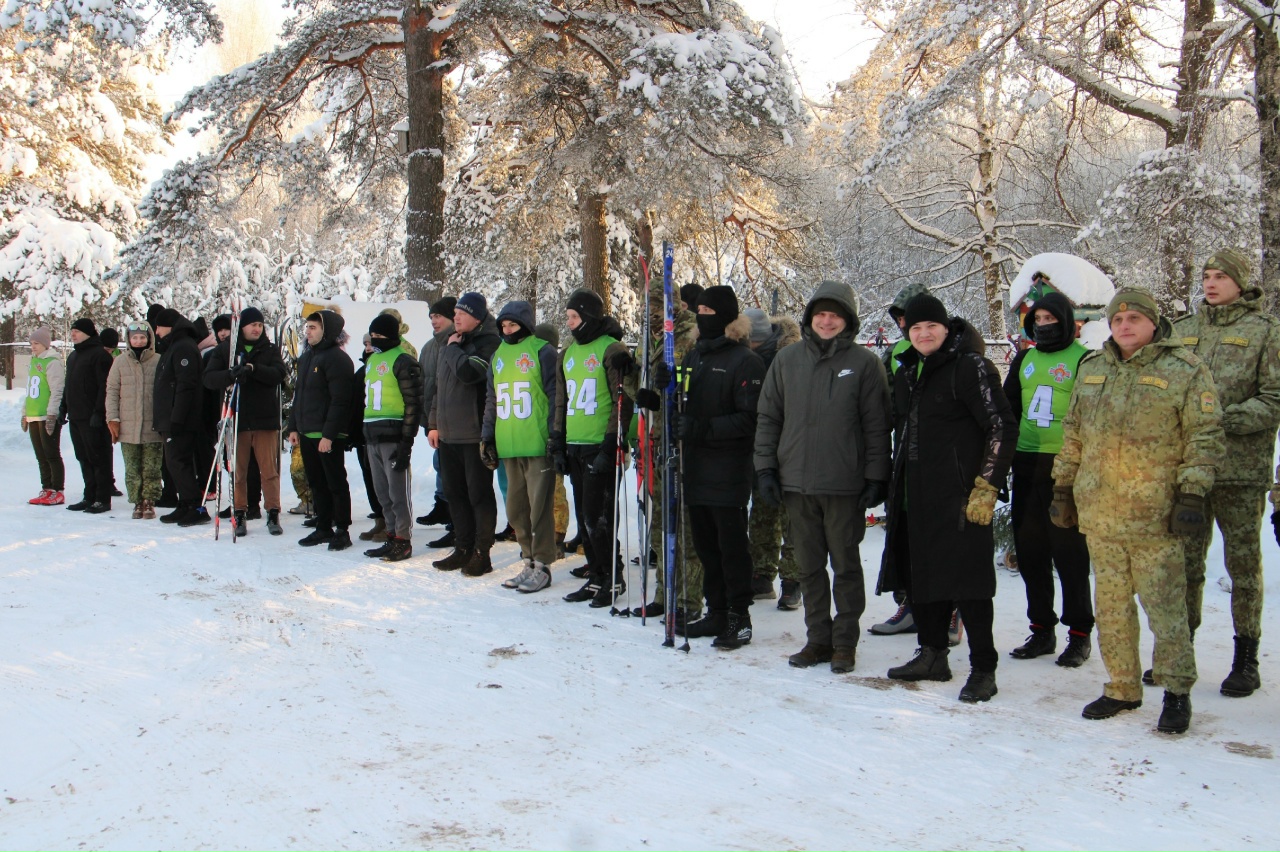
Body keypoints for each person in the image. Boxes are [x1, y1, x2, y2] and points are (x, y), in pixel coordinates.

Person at [1053, 288, 1224, 734]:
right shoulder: (1092, 369)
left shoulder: (1185, 370)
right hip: (1101, 515)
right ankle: (1122, 687)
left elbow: (1204, 438)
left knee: (1165, 608)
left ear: (1153, 322)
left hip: (1156, 515)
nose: (1124, 326)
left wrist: (1191, 494)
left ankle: (1176, 691)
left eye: (1134, 319)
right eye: (1117, 319)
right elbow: (1073, 435)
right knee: (1110, 608)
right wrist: (1063, 488)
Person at [879, 294, 1017, 703]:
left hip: (961, 495)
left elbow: (1001, 426)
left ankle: (983, 667)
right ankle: (933, 653)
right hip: (915, 493)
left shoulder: (970, 366)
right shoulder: (907, 373)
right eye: (916, 328)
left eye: (931, 327)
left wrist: (986, 485)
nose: (923, 334)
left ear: (946, 328)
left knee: (970, 583)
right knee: (923, 577)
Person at [756, 281, 893, 671]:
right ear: (810, 318)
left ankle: (845, 642)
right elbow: (768, 418)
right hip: (796, 483)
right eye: (821, 314)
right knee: (808, 567)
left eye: (835, 315)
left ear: (847, 320)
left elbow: (877, 426)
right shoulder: (786, 361)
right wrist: (766, 468)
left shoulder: (865, 365)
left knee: (846, 566)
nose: (827, 321)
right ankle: (818, 639)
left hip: (844, 484)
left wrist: (875, 476)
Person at [1170, 249, 1280, 698]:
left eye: (1221, 277)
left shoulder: (1265, 331)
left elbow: (1274, 399)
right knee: (1185, 564)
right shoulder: (1183, 331)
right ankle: (1182, 652)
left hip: (1241, 470)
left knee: (1243, 565)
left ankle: (1246, 657)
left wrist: (1221, 418)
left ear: (1240, 282)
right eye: (1207, 276)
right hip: (1191, 470)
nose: (1211, 284)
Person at [1001, 291, 1095, 668]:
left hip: (1066, 469)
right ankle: (1041, 628)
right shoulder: (1024, 359)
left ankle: (1079, 634)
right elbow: (1008, 411)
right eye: (1037, 320)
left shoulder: (1085, 360)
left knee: (1070, 555)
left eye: (1049, 319)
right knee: (1031, 552)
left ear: (1066, 321)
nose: (1043, 326)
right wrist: (1002, 463)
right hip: (1027, 464)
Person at [676, 286, 766, 648]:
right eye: (699, 310)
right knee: (706, 546)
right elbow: (683, 402)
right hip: (695, 466)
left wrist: (702, 428)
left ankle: (738, 616)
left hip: (728, 468)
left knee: (731, 547)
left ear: (727, 317)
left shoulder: (745, 361)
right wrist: (662, 393)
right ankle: (716, 611)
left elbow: (750, 419)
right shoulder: (695, 355)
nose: (701, 316)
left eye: (709, 311)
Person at [624, 275, 704, 621]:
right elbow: (645, 392)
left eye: (658, 306)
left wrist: (665, 394)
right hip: (656, 442)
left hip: (683, 442)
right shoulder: (650, 338)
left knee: (683, 525)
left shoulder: (690, 335)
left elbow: (693, 391)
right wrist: (630, 381)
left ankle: (688, 600)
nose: (653, 313)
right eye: (649, 306)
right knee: (659, 524)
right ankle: (663, 593)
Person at [550, 289, 634, 607]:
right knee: (585, 518)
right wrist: (557, 441)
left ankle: (613, 577)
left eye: (574, 317)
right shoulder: (567, 354)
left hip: (600, 445)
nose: (570, 323)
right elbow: (562, 401)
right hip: (575, 445)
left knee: (599, 518)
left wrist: (611, 444)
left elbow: (621, 402)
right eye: (568, 317)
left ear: (589, 317)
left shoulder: (610, 349)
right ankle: (596, 575)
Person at [482, 301, 558, 591]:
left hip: (537, 442)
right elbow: (492, 399)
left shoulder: (542, 351)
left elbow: (554, 396)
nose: (506, 330)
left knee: (540, 507)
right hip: (509, 443)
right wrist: (487, 436)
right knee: (516, 509)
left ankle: (543, 563)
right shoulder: (498, 355)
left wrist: (555, 434)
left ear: (524, 324)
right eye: (503, 326)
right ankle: (527, 559)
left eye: (512, 325)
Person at [427, 292, 501, 575]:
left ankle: (482, 553)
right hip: (448, 434)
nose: (455, 317)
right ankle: (463, 547)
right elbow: (439, 389)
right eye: (454, 312)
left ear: (477, 317)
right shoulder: (453, 343)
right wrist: (434, 423)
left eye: (461, 313)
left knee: (479, 495)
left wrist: (452, 350)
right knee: (455, 495)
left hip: (473, 433)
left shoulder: (488, 342)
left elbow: (471, 373)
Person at [868, 280, 927, 635]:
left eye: (915, 317)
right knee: (902, 533)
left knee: (939, 536)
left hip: (941, 456)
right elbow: (883, 407)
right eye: (902, 317)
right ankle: (908, 602)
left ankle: (949, 610)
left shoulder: (955, 346)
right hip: (904, 452)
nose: (907, 323)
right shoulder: (896, 353)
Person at [203, 307, 287, 536]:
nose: (257, 329)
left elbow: (279, 374)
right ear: (242, 327)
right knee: (238, 472)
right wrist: (230, 375)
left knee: (269, 471)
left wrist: (254, 369)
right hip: (236, 420)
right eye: (253, 325)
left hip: (264, 421)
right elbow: (209, 378)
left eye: (260, 325)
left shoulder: (269, 349)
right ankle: (239, 514)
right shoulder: (226, 350)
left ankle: (273, 512)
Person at [742, 306, 803, 610]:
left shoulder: (791, 357)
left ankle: (793, 580)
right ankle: (761, 573)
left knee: (791, 514)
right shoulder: (747, 356)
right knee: (763, 511)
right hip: (759, 444)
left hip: (791, 445)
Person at [287, 309, 356, 551]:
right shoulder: (307, 358)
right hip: (307, 431)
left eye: (313, 327)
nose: (308, 331)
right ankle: (323, 526)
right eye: (307, 327)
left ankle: (342, 529)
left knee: (335, 481)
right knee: (316, 482)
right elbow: (299, 396)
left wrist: (329, 435)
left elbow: (341, 400)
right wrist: (293, 426)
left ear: (328, 331)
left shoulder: (337, 359)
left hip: (328, 435)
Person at [361, 314, 424, 562]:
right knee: (382, 492)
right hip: (372, 434)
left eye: (380, 336)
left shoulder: (403, 360)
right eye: (372, 336)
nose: (375, 340)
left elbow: (413, 403)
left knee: (398, 493)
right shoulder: (372, 360)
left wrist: (406, 442)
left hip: (394, 434)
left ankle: (403, 539)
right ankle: (390, 534)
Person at [153, 308, 209, 526]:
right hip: (171, 418)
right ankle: (185, 503)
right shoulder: (174, 347)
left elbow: (186, 386)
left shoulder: (184, 347)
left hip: (181, 420)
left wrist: (177, 418)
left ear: (170, 326)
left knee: (180, 462)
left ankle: (195, 505)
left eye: (159, 327)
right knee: (174, 462)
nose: (156, 332)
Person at [105, 321, 163, 519]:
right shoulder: (120, 362)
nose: (138, 341)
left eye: (142, 337)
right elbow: (112, 391)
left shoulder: (158, 361)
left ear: (149, 339)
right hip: (128, 426)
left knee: (152, 466)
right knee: (132, 467)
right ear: (128, 339)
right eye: (134, 337)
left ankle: (149, 500)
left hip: (152, 426)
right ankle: (137, 500)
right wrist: (112, 418)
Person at [61, 318, 114, 513]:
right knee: (83, 457)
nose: (73, 334)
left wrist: (99, 413)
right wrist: (63, 408)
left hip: (93, 417)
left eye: (77, 331)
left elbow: (104, 387)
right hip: (76, 416)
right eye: (72, 330)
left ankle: (102, 498)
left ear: (88, 333)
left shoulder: (99, 355)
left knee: (98, 457)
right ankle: (89, 495)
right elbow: (69, 386)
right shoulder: (74, 356)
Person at [417, 296, 456, 542]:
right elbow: (424, 385)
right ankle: (442, 507)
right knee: (440, 463)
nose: (434, 321)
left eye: (439, 316)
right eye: (432, 317)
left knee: (453, 471)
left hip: (455, 421)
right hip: (434, 419)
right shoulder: (429, 348)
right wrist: (426, 420)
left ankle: (455, 522)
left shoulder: (459, 343)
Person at [23, 327, 65, 505]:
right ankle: (47, 488)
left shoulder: (52, 361)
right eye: (31, 343)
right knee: (40, 455)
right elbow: (30, 390)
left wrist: (52, 413)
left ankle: (58, 489)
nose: (33, 347)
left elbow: (57, 389)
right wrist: (25, 413)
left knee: (51, 453)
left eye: (36, 343)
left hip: (46, 414)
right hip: (33, 415)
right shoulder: (33, 361)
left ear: (45, 344)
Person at [353, 333, 388, 543]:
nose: (368, 347)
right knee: (369, 478)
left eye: (371, 343)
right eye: (365, 343)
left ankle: (390, 522)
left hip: (380, 432)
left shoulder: (382, 368)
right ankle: (379, 519)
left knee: (384, 479)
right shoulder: (361, 371)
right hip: (362, 434)